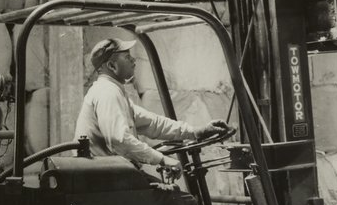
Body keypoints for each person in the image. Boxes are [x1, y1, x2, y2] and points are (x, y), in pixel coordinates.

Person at [76, 37, 229, 182]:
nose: (133, 60)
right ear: (111, 66)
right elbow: (120, 140)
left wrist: (196, 131)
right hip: (108, 181)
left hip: (112, 176)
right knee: (184, 204)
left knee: (175, 199)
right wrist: (161, 159)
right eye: (127, 56)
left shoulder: (112, 91)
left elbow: (153, 123)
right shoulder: (107, 92)